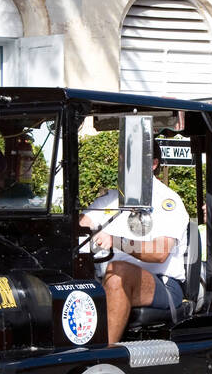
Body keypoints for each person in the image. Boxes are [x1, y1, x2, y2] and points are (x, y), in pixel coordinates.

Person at [80, 144, 189, 344]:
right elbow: (80, 226)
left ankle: (103, 355)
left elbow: (159, 252)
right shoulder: (111, 199)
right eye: (123, 161)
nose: (125, 167)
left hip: (161, 283)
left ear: (154, 164)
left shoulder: (168, 202)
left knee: (118, 272)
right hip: (104, 278)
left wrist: (117, 242)